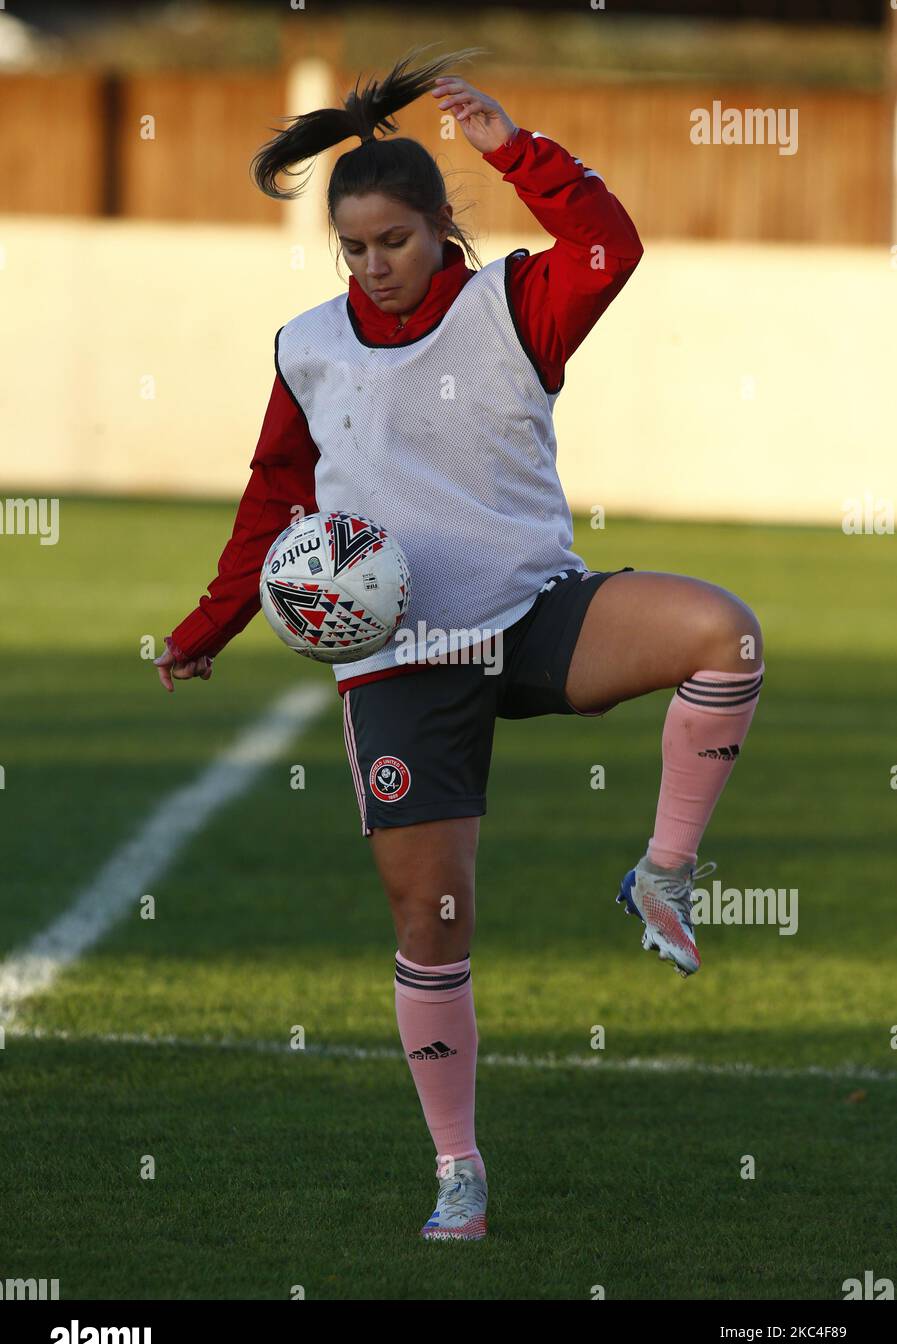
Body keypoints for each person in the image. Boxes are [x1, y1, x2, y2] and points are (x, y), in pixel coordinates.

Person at [155, 46, 764, 1242]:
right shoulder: (309, 348)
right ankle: (458, 1173)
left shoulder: (513, 305)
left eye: (395, 239)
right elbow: (276, 496)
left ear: (441, 225)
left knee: (723, 635)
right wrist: (208, 624)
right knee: (432, 924)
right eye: (355, 248)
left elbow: (612, 247)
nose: (375, 266)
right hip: (398, 659)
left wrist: (515, 147)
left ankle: (664, 873)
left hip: (536, 613)